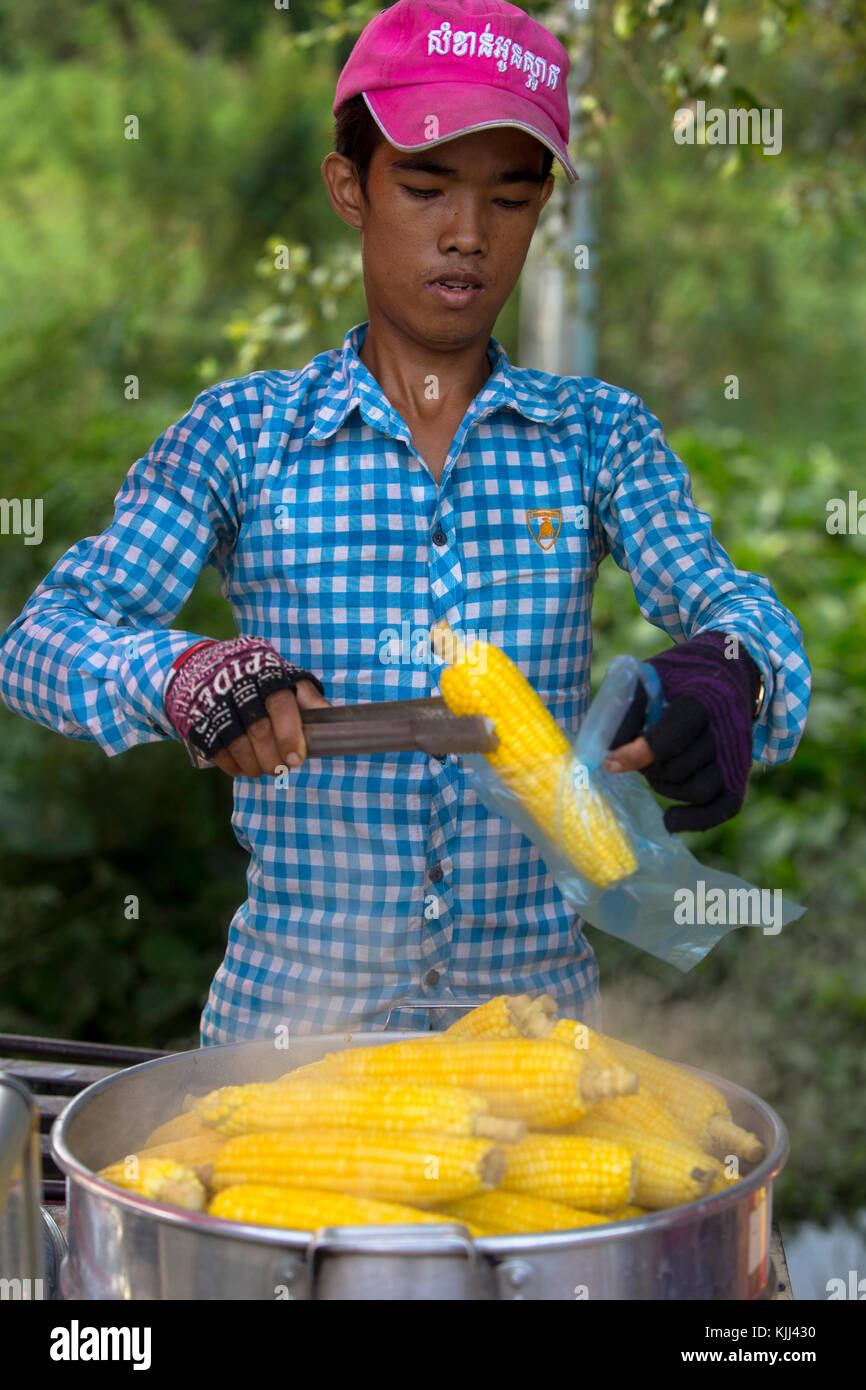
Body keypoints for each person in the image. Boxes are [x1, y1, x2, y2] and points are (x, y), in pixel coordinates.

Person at [0, 0, 810, 1045]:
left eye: (508, 200)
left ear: (540, 211)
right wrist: (181, 673)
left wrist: (730, 668)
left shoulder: (597, 439)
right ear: (352, 189)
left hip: (532, 1043)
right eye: (424, 188)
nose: (466, 235)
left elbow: (729, 601)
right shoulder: (241, 437)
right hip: (288, 1041)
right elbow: (42, 637)